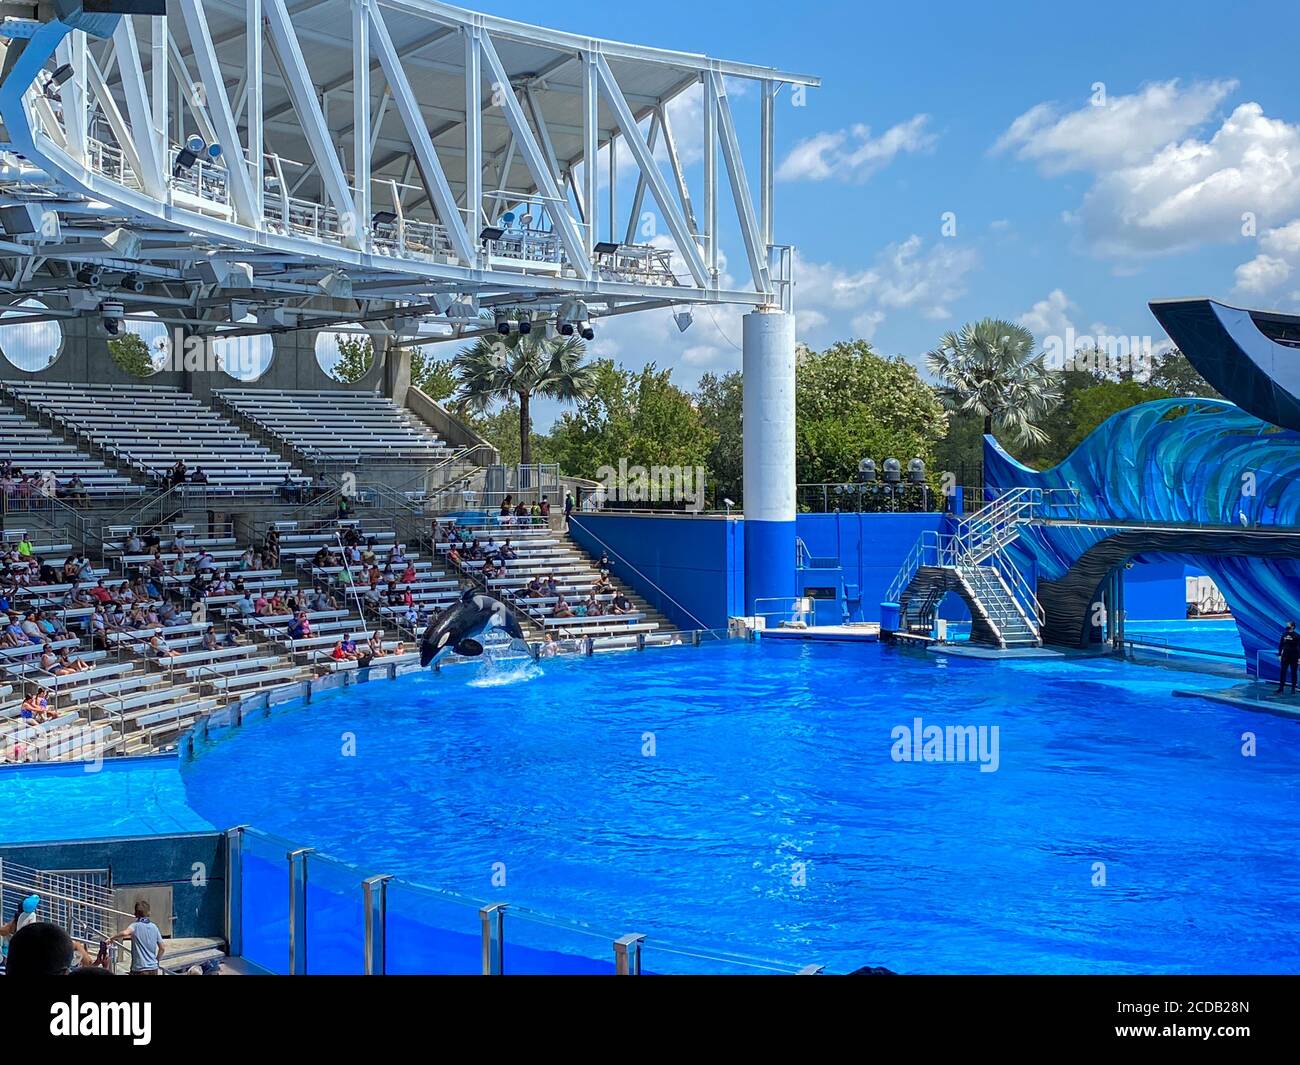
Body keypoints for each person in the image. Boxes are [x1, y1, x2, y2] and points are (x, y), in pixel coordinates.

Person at [109, 899, 165, 975]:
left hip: (139, 969)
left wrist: (112, 938)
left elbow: (125, 933)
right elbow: (162, 948)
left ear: (135, 913)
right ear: (148, 912)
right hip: (153, 968)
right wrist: (157, 960)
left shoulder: (135, 926)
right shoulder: (154, 927)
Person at [1277, 621, 1300, 694]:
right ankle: (1281, 688)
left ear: (1292, 626)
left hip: (1294, 656)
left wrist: (1299, 658)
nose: (1287, 626)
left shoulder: (1297, 635)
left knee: (1293, 672)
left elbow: (1299, 647)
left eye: (1288, 625)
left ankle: (1293, 689)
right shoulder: (1284, 634)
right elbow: (1280, 645)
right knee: (1282, 671)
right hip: (1285, 656)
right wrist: (1279, 654)